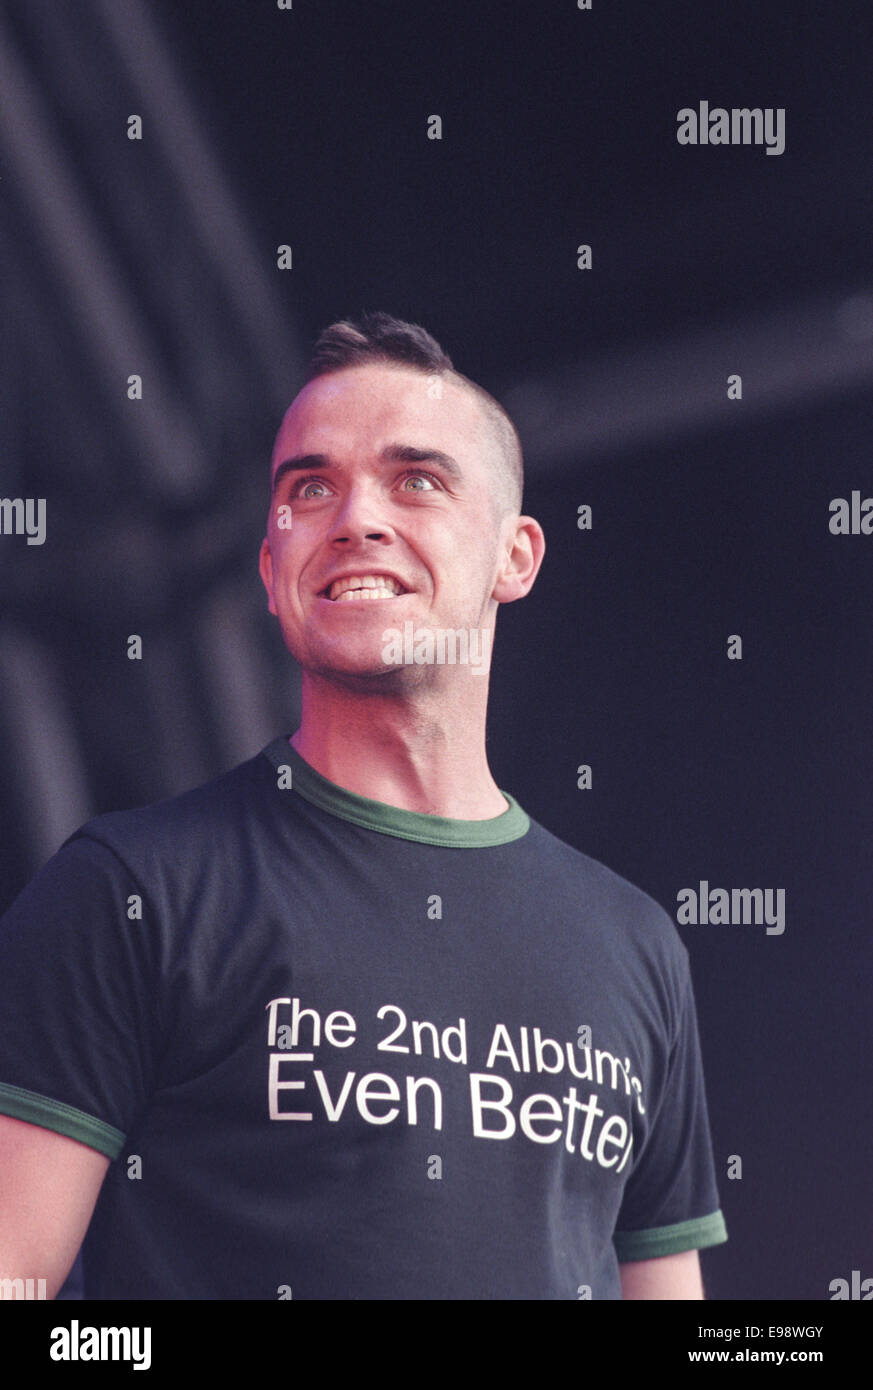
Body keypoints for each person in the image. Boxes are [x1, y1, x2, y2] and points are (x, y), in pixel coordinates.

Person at [0, 312, 727, 1300]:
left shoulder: (635, 945)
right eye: (310, 487)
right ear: (269, 569)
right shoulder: (128, 892)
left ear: (515, 556)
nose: (355, 518)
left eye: (416, 478)